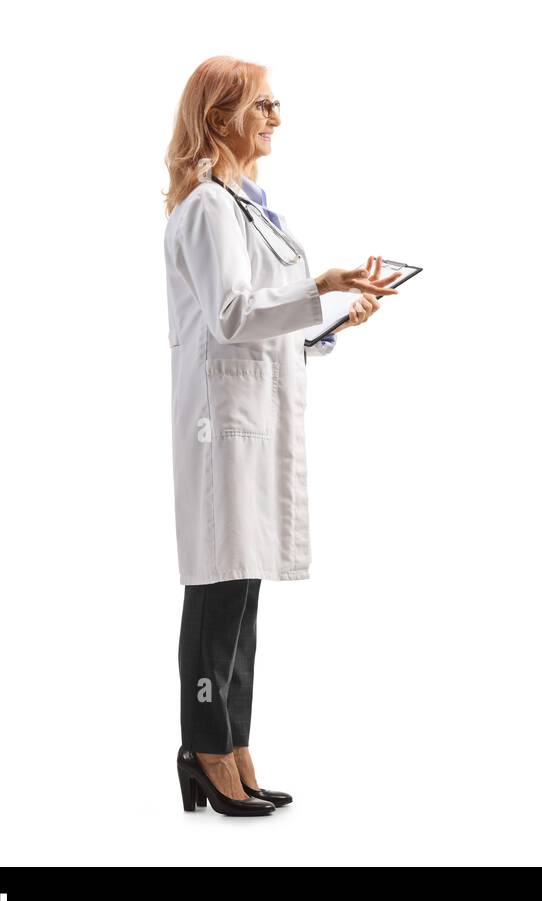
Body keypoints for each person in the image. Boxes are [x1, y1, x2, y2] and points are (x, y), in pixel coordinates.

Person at [162, 56, 400, 816]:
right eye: (261, 104)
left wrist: (329, 322)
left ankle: (232, 743)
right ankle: (203, 746)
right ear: (219, 114)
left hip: (251, 419)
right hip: (220, 428)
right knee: (217, 586)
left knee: (243, 587)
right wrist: (320, 285)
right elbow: (231, 315)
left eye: (274, 103)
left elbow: (264, 325)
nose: (275, 116)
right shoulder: (205, 207)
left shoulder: (249, 207)